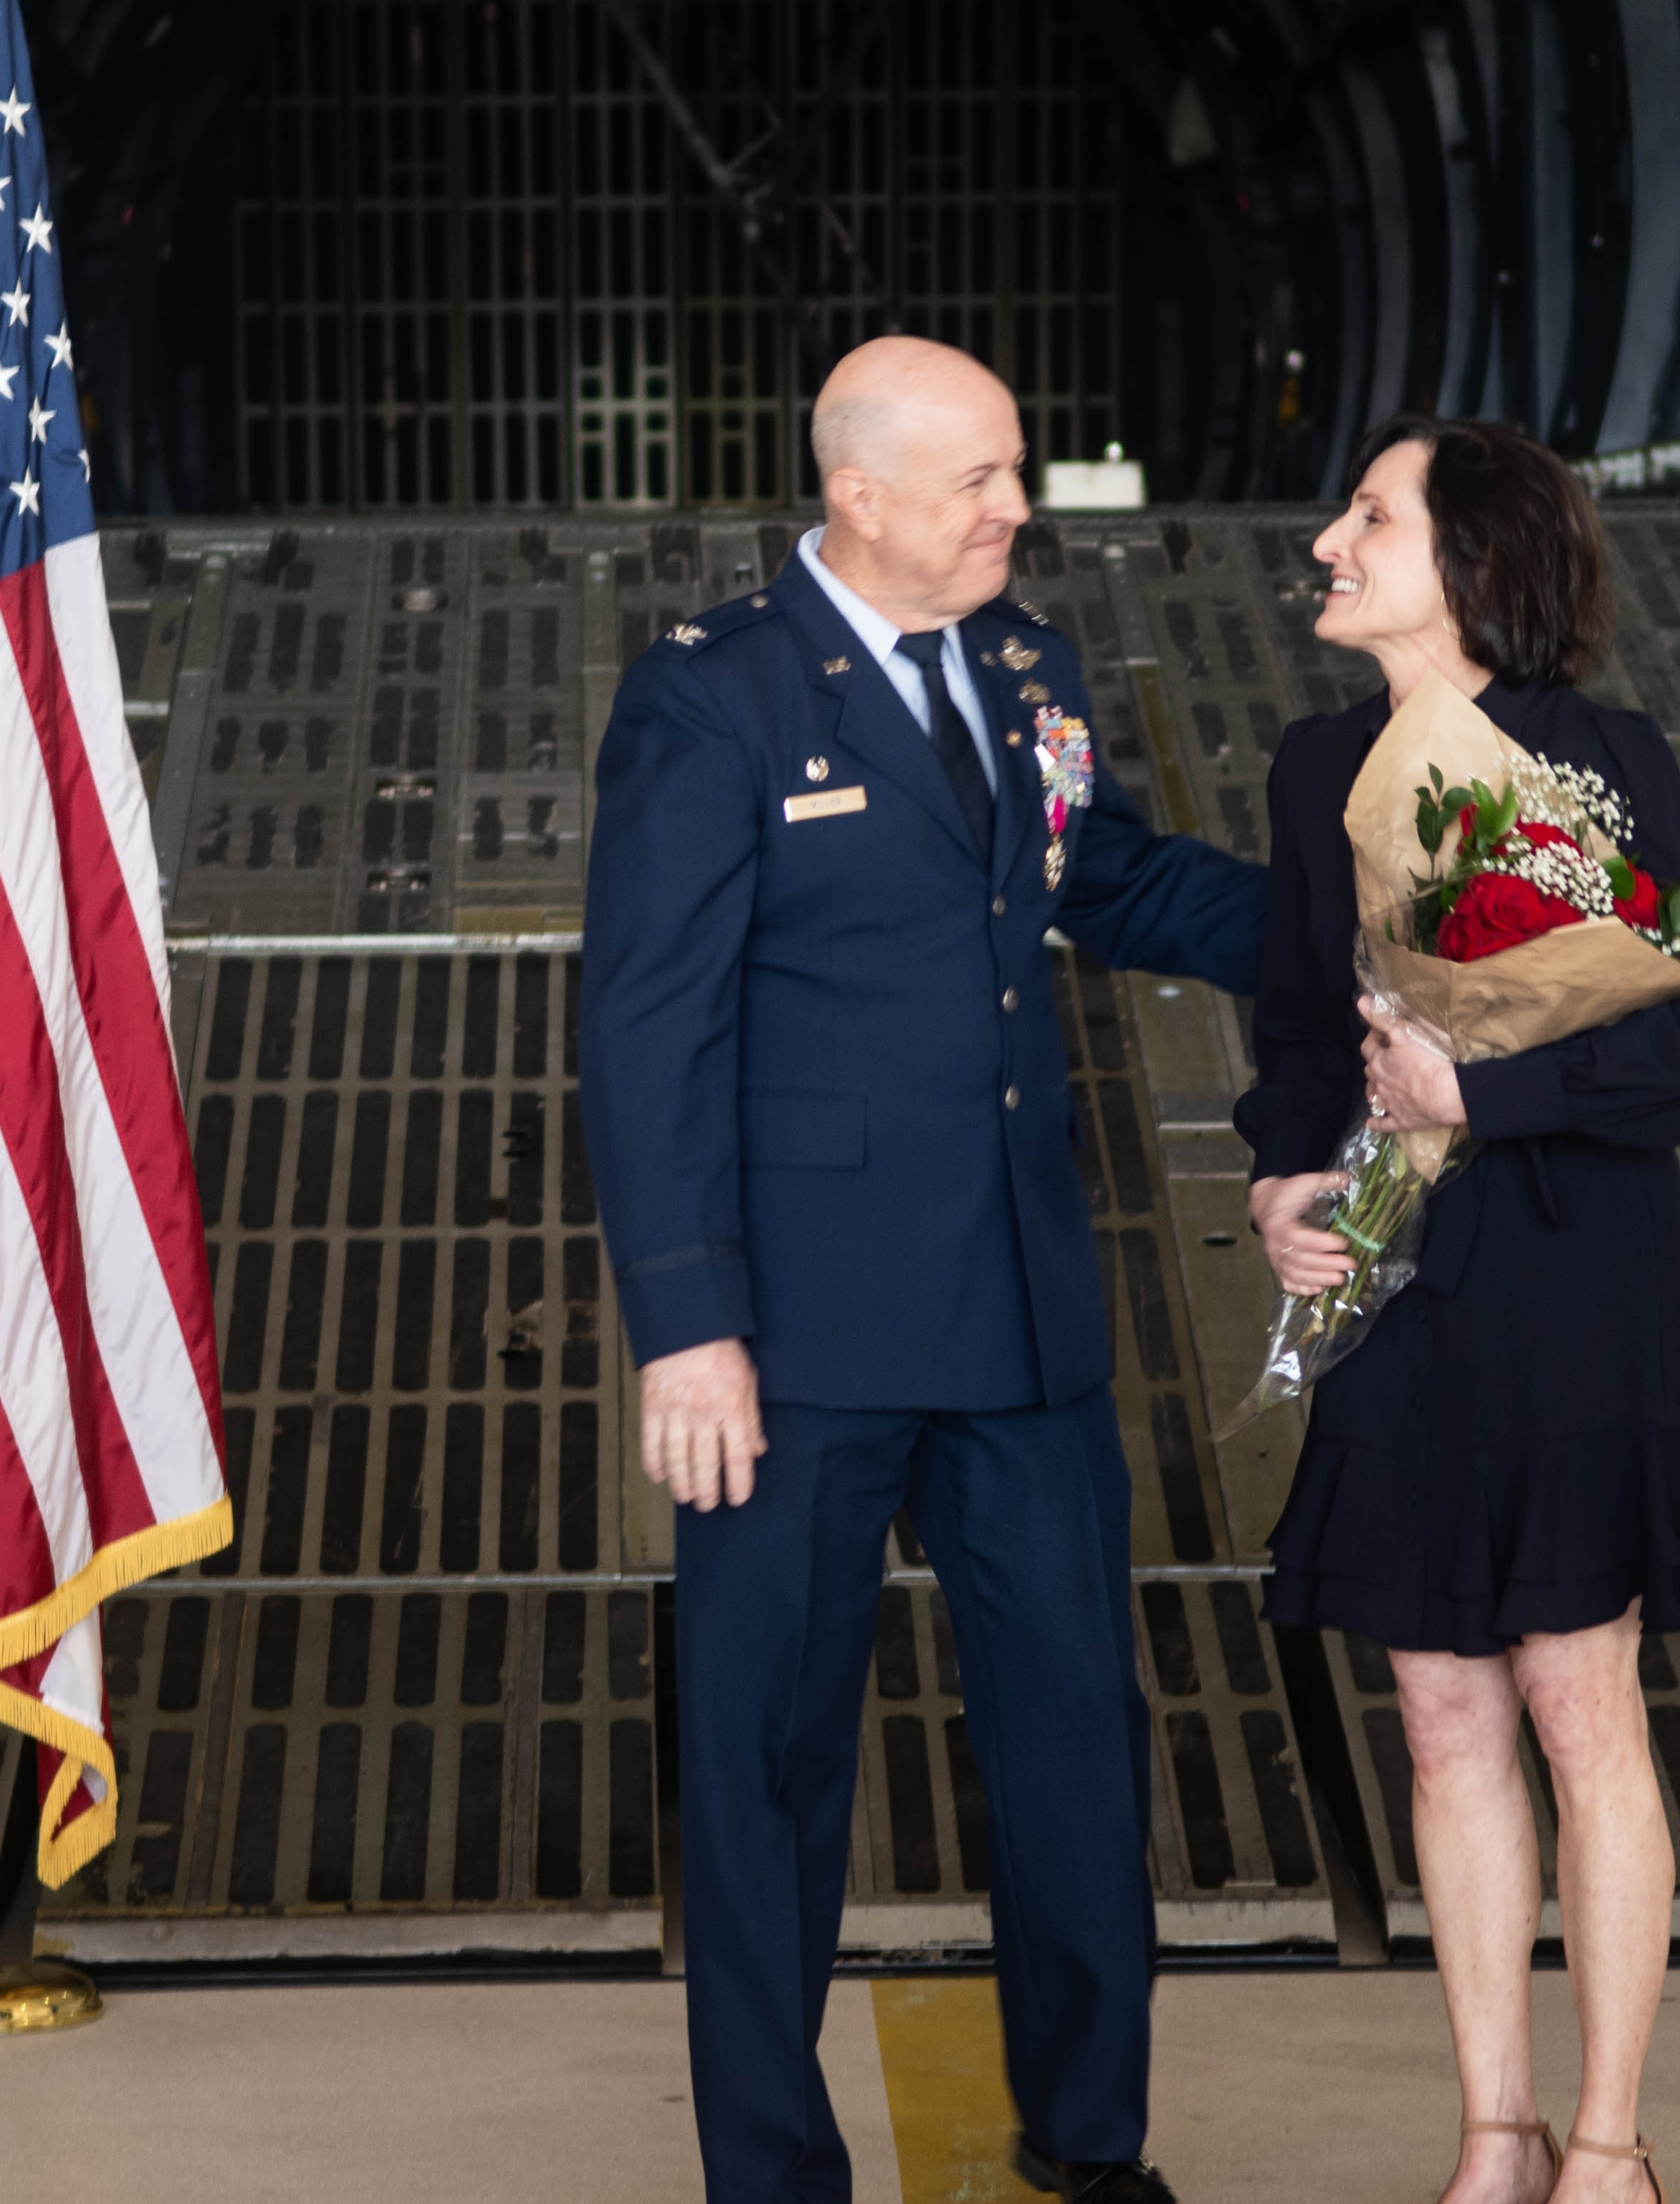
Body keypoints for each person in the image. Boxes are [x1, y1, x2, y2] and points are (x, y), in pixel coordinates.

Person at [581, 336, 1265, 2204]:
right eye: (978, 482)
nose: (1012, 511)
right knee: (768, 1771)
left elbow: (1101, 878)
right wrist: (687, 1326)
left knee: (1077, 1745)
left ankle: (1090, 2143)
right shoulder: (711, 696)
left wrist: (1354, 919)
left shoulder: (1025, 667)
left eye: (1014, 473)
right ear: (856, 494)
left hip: (1021, 1320)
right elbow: (645, 1028)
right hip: (793, 1338)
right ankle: (771, 2177)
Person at [1237, 415, 1680, 2204]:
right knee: (1439, 1713)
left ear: (1467, 560)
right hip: (1401, 1265)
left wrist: (1493, 1093)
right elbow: (1300, 1025)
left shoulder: (1605, 758)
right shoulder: (1319, 768)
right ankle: (1493, 2135)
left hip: (1572, 1268)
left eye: (1366, 516)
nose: (1329, 542)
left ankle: (1606, 2147)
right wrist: (1281, 1179)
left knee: (1576, 1705)